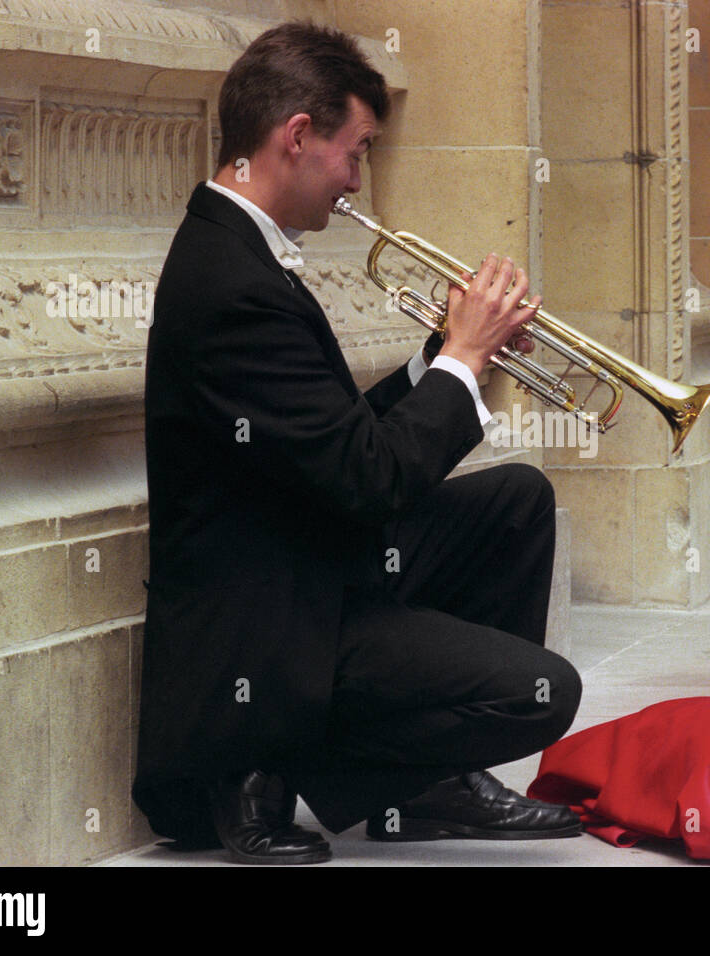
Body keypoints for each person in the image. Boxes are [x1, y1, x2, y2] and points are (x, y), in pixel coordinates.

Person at [131, 20, 583, 864]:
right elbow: (369, 479)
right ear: (298, 137)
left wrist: (435, 361)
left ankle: (427, 783)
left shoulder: (244, 253)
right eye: (358, 150)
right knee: (543, 692)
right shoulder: (231, 281)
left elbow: (324, 436)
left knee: (516, 502)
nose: (357, 180)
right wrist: (465, 355)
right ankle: (286, 765)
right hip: (270, 622)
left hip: (310, 563)